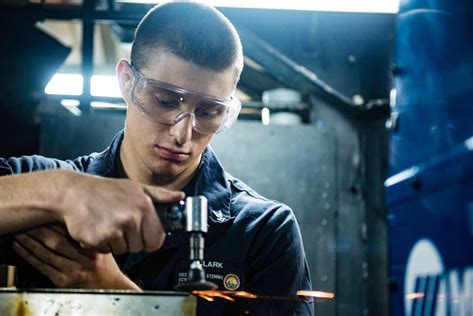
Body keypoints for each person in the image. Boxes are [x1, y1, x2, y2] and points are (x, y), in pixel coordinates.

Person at [0, 2, 313, 315]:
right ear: (127, 81)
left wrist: (114, 294)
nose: (183, 134)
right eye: (164, 101)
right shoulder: (47, 189)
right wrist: (63, 192)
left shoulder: (263, 231)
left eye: (209, 112)